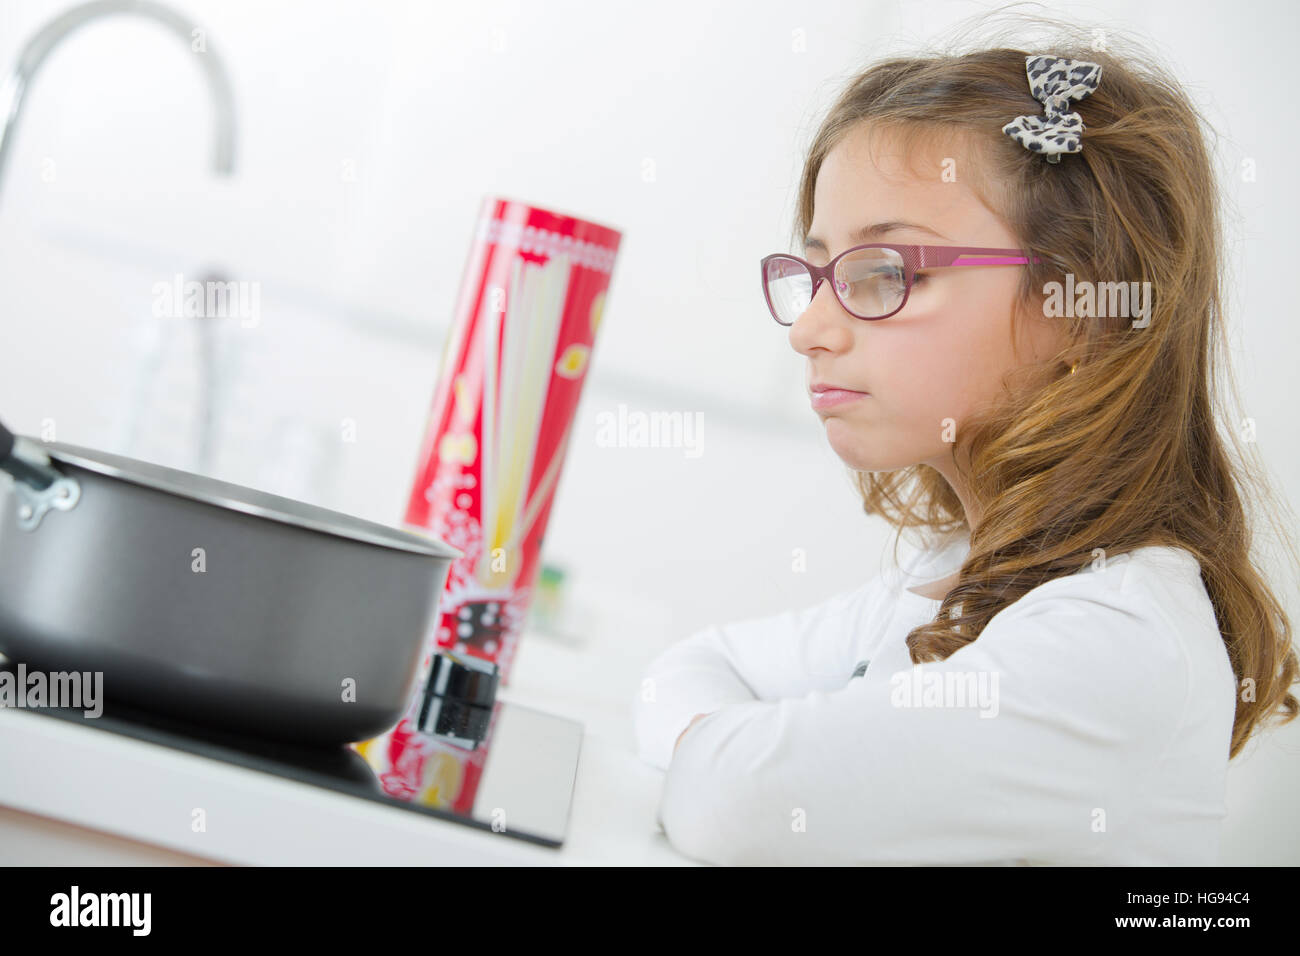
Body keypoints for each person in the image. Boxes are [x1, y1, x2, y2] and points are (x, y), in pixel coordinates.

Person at [631, 24, 1298, 866]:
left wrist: (744, 757)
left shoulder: (1113, 634)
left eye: (885, 273)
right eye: (817, 270)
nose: (808, 330)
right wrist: (748, 749)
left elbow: (733, 803)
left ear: (1081, 304)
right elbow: (692, 667)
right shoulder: (955, 573)